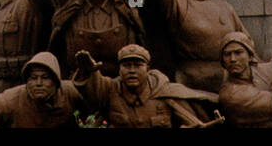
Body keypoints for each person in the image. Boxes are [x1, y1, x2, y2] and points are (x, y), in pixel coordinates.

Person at [145, 0, 246, 90]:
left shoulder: (225, 9)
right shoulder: (177, 1)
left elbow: (246, 45)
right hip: (188, 82)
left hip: (227, 82)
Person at [73, 43, 220, 128]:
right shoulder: (111, 90)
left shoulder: (165, 93)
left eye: (137, 65)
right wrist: (88, 73)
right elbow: (94, 90)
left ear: (148, 69)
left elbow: (191, 121)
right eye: (126, 65)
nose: (132, 71)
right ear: (119, 69)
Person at [0, 52, 83, 129]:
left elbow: (95, 104)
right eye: (33, 78)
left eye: (45, 77)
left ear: (55, 81)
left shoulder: (69, 92)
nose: (38, 83)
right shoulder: (9, 100)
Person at [218, 32, 272, 128]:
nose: (232, 59)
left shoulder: (256, 72)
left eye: (238, 52)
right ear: (222, 60)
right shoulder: (232, 95)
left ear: (250, 56)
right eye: (227, 54)